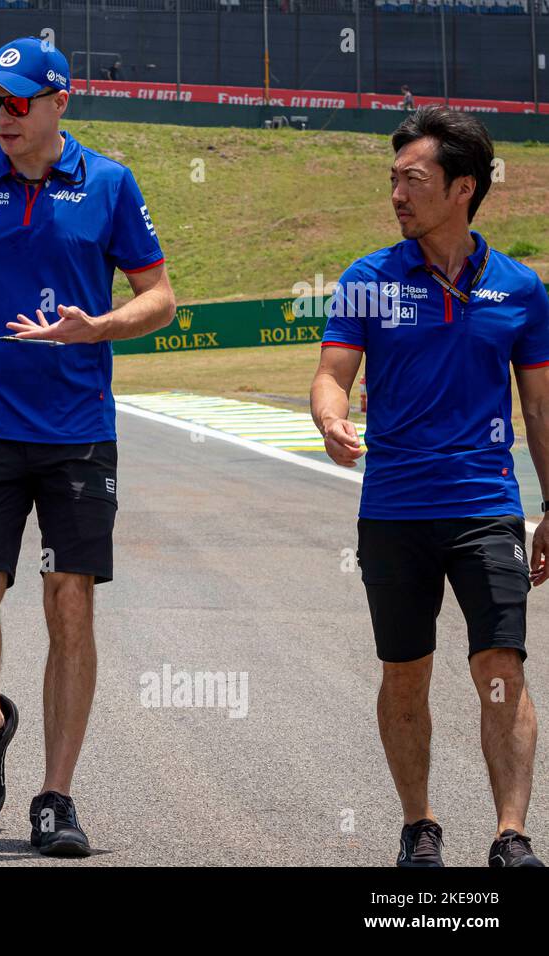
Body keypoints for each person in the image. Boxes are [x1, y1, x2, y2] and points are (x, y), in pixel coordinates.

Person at [0, 37, 175, 857]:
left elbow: (160, 296)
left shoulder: (110, 184)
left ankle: (55, 796)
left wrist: (102, 326)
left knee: (70, 602)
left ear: (59, 103)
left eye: (18, 103)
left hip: (78, 435)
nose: (3, 118)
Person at [312, 105, 549, 867]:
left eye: (412, 179)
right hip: (395, 512)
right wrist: (330, 418)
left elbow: (540, 408)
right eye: (393, 180)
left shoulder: (521, 289)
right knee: (405, 673)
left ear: (463, 188)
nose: (397, 195)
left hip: (487, 507)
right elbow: (330, 375)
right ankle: (420, 824)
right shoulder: (366, 280)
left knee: (500, 668)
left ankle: (511, 834)